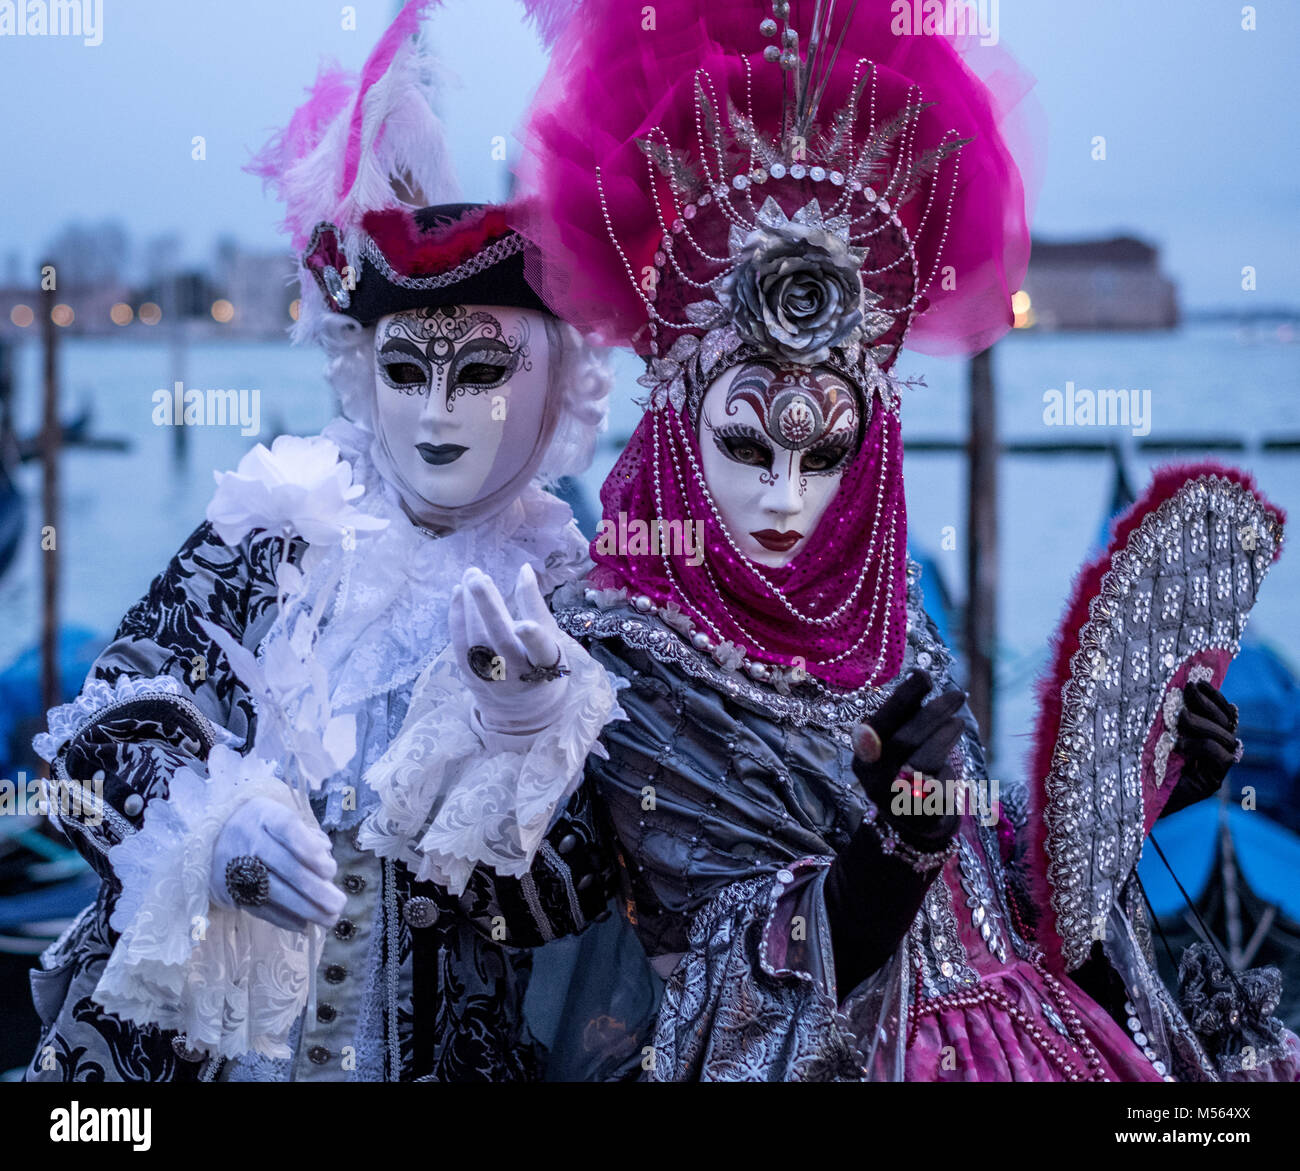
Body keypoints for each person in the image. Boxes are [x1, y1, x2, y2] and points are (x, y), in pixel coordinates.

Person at [501, 0, 1299, 1080]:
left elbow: (992, 890)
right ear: (678, 433)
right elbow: (686, 989)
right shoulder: (621, 659)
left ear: (870, 452)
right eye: (746, 446)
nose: (785, 497)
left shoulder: (892, 623)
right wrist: (880, 865)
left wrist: (1137, 786)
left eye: (823, 454)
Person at [24, 2, 625, 1082]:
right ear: (362, 370)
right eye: (407, 370)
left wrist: (525, 740)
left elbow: (559, 907)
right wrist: (216, 839)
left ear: (552, 389)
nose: (437, 413)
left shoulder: (564, 603)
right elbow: (87, 750)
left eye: (483, 373)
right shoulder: (275, 529)